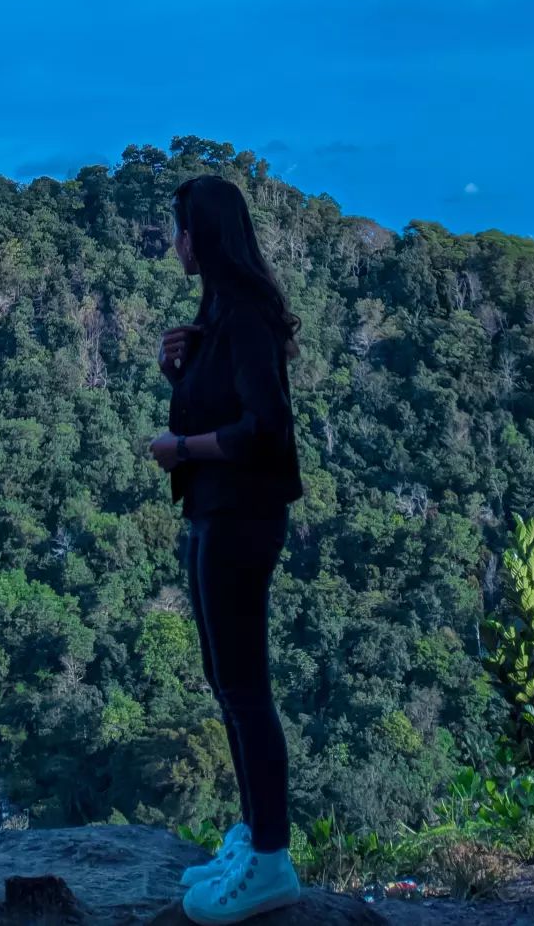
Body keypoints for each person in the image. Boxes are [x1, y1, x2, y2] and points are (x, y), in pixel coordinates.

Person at [148, 174, 305, 924]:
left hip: (242, 518)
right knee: (226, 682)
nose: (174, 242)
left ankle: (272, 859)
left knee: (246, 691)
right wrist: (179, 369)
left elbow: (264, 429)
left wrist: (181, 446)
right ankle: (253, 836)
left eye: (179, 229)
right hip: (218, 514)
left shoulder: (244, 316)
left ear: (200, 237)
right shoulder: (220, 315)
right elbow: (227, 404)